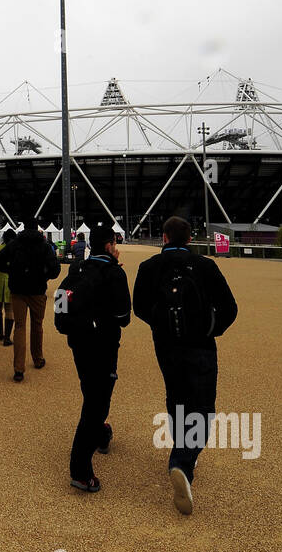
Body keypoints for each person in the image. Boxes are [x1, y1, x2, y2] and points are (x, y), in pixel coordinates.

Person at [132, 216, 238, 515]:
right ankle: (182, 460)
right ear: (190, 239)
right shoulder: (205, 266)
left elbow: (139, 307)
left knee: (176, 398)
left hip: (166, 347)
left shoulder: (149, 267)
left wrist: (160, 325)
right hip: (200, 346)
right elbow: (230, 309)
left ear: (163, 237)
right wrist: (210, 328)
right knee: (203, 408)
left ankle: (182, 453)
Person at [63, 224, 132, 493]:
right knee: (96, 402)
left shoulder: (77, 269)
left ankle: (102, 435)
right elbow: (124, 317)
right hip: (103, 346)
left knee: (91, 390)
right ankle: (80, 471)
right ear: (109, 245)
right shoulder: (114, 273)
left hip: (79, 342)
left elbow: (61, 298)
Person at [0, 220, 60, 382]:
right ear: (38, 229)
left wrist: (10, 270)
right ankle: (37, 359)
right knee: (37, 325)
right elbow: (55, 269)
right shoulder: (44, 245)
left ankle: (19, 369)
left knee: (20, 327)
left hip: (18, 289)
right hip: (37, 290)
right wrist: (45, 276)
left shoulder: (15, 243)